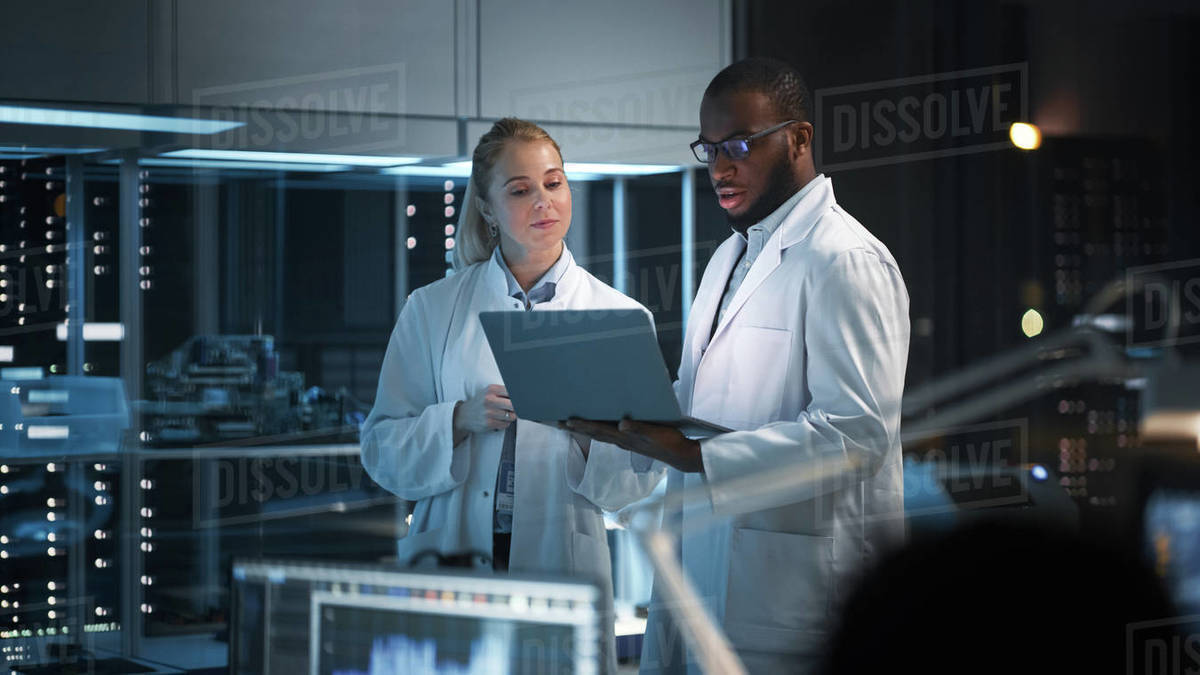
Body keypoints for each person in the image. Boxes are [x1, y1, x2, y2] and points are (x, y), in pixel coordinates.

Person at [566, 58, 911, 673]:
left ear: (800, 138)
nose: (721, 168)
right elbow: (693, 400)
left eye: (740, 146)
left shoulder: (847, 261)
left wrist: (698, 456)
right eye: (709, 149)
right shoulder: (729, 257)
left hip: (799, 602)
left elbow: (858, 435)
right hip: (700, 579)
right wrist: (616, 422)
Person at [360, 117, 665, 673]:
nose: (543, 202)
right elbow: (380, 448)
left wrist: (589, 436)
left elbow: (643, 479)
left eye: (554, 182)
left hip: (561, 562)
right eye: (520, 190)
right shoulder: (432, 309)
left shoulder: (619, 319)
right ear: (486, 208)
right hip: (452, 558)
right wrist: (456, 419)